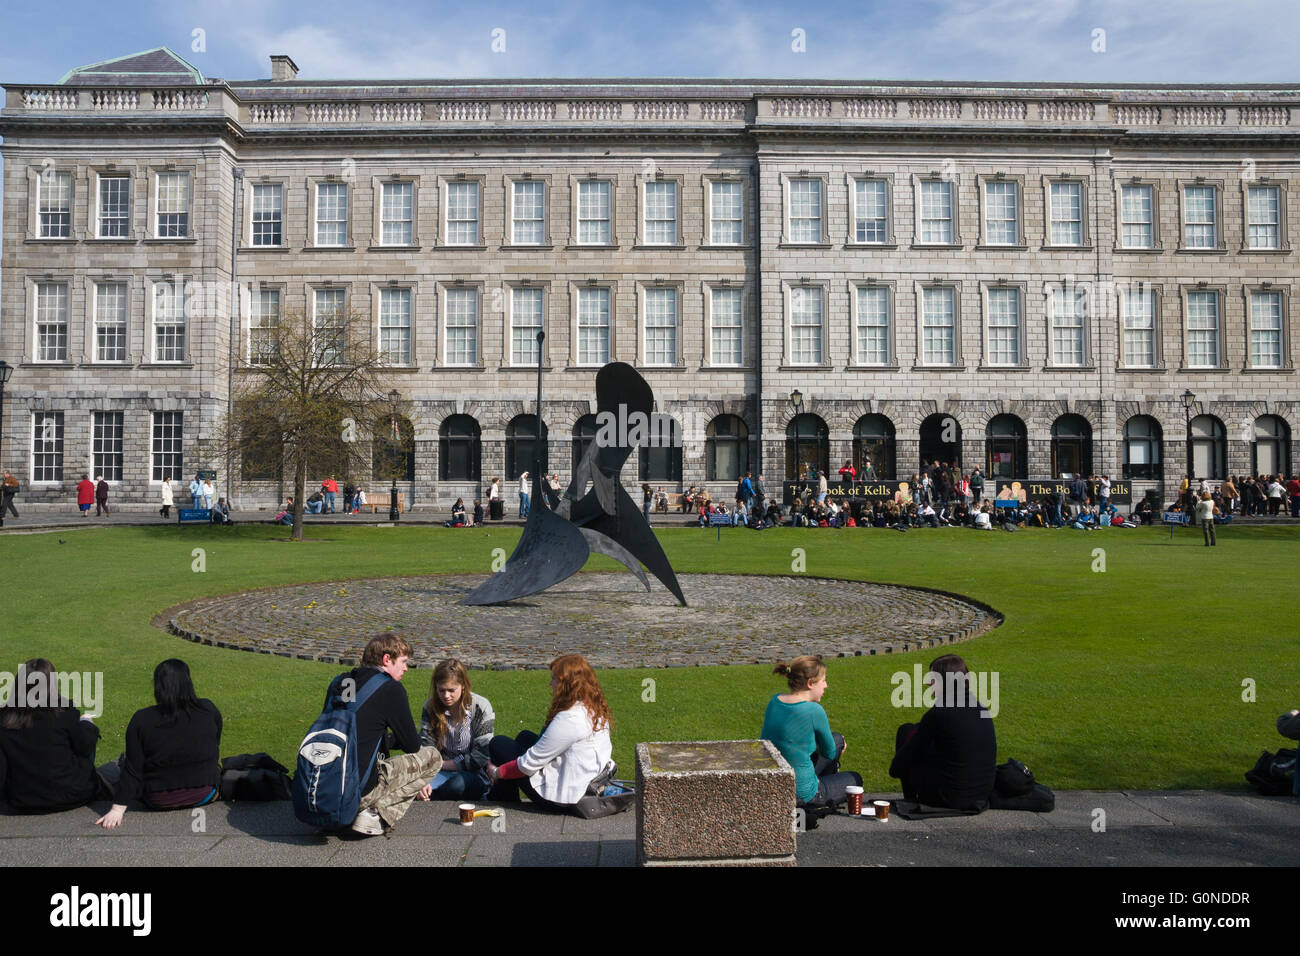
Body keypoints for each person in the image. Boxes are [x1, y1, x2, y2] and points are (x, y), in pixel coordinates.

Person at [322, 633, 441, 836]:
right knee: (432, 757)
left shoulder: (341, 681)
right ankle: (375, 814)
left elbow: (349, 721)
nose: (405, 668)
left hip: (327, 786)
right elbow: (411, 744)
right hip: (357, 790)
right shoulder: (390, 688)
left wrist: (379, 736)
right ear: (387, 659)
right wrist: (387, 738)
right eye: (403, 662)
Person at [94, 660, 222, 828]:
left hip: (158, 799)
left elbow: (133, 769)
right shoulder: (208, 709)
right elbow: (214, 744)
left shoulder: (142, 719)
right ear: (188, 682)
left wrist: (117, 809)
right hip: (205, 792)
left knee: (123, 763)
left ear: (158, 686)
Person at [488, 654, 615, 813]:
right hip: (588, 779)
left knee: (498, 744)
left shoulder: (569, 718)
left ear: (566, 684)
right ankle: (502, 795)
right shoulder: (592, 707)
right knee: (524, 736)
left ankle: (504, 798)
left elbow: (528, 764)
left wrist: (497, 772)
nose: (550, 683)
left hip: (564, 798)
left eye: (554, 679)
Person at [889, 654, 996, 812]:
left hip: (950, 798)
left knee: (905, 731)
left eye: (933, 678)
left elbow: (897, 768)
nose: (927, 683)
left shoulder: (939, 713)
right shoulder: (980, 708)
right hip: (981, 794)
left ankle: (910, 798)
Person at [0, 659, 110, 813]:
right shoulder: (63, 711)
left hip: (22, 799)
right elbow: (84, 747)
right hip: (70, 795)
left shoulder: (5, 717)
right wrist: (87, 724)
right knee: (86, 734)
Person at [761, 656, 862, 811]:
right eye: (823, 681)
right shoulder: (814, 711)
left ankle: (819, 781)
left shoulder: (775, 701)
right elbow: (829, 753)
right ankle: (818, 794)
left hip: (776, 781)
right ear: (810, 683)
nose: (826, 686)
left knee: (837, 739)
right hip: (802, 793)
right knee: (855, 779)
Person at [416, 659, 496, 802]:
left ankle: (434, 797)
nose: (446, 696)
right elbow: (426, 747)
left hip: (472, 773)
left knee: (457, 785)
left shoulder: (480, 707)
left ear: (463, 686)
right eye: (441, 690)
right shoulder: (430, 707)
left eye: (451, 690)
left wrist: (446, 764)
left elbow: (480, 755)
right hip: (437, 772)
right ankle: (428, 794)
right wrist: (423, 779)